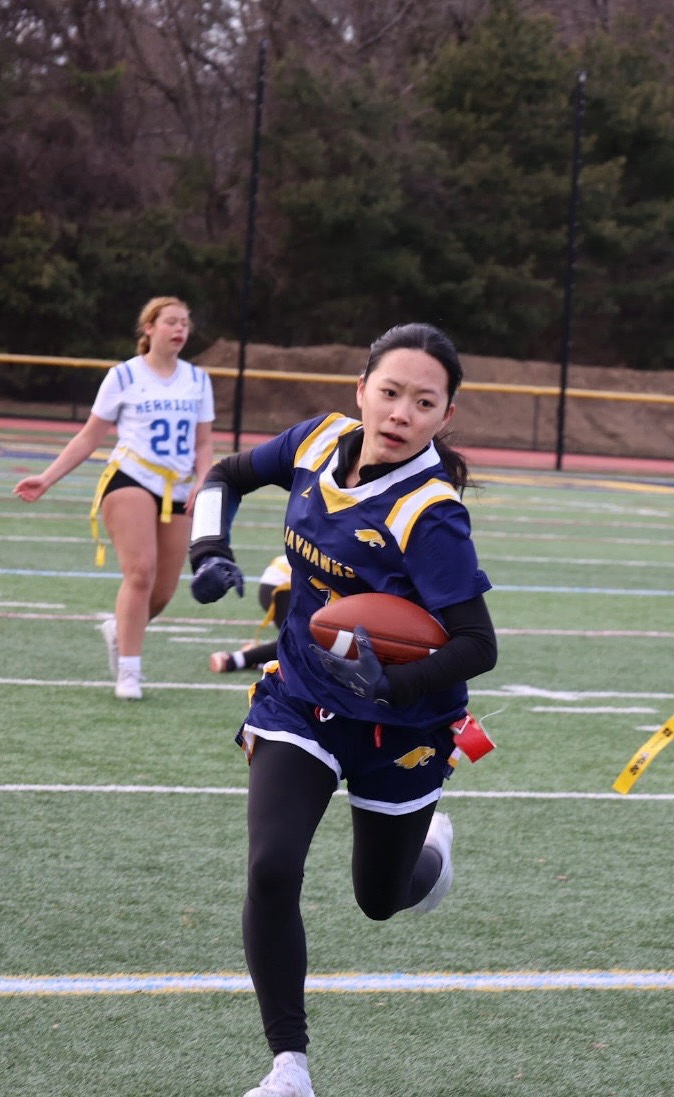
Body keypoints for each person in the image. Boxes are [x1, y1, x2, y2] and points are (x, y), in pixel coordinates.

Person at [186, 322, 498, 1097]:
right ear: (361, 390)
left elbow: (476, 644)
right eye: (389, 392)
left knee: (379, 899)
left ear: (444, 416)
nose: (400, 412)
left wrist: (387, 685)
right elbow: (224, 473)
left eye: (423, 401)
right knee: (269, 868)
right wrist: (207, 548)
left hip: (402, 723)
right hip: (299, 695)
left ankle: (433, 852)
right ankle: (289, 1067)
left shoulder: (431, 512)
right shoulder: (319, 438)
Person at [12, 297, 214, 700]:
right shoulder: (123, 376)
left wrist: (204, 483)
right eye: (171, 322)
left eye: (185, 324)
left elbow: (204, 444)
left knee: (162, 592)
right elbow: (90, 436)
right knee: (140, 571)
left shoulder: (198, 379)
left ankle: (116, 627)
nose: (179, 330)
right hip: (131, 477)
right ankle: (129, 673)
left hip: (177, 487)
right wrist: (48, 478)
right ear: (149, 328)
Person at [208, 556, 292, 674]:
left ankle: (259, 658)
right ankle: (235, 659)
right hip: (281, 585)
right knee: (300, 640)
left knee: (310, 644)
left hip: (291, 581)